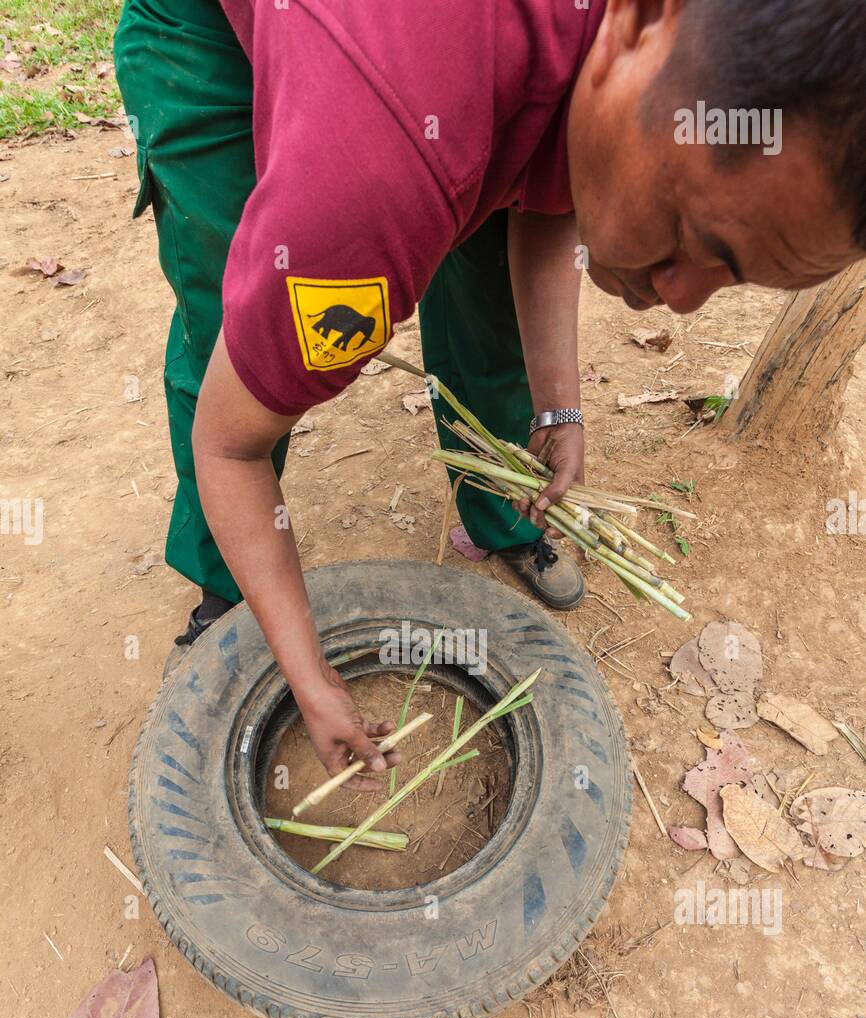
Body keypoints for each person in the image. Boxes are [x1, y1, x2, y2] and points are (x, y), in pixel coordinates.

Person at [114, 0, 865, 787]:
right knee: (237, 342)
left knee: (479, 290)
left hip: (425, 89)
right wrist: (311, 676)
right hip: (212, 35)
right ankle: (227, 592)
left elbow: (553, 182)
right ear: (641, 22)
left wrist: (559, 408)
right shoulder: (371, 187)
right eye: (694, 235)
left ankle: (496, 518)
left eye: (732, 275)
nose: (681, 300)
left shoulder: (620, 55)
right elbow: (227, 446)